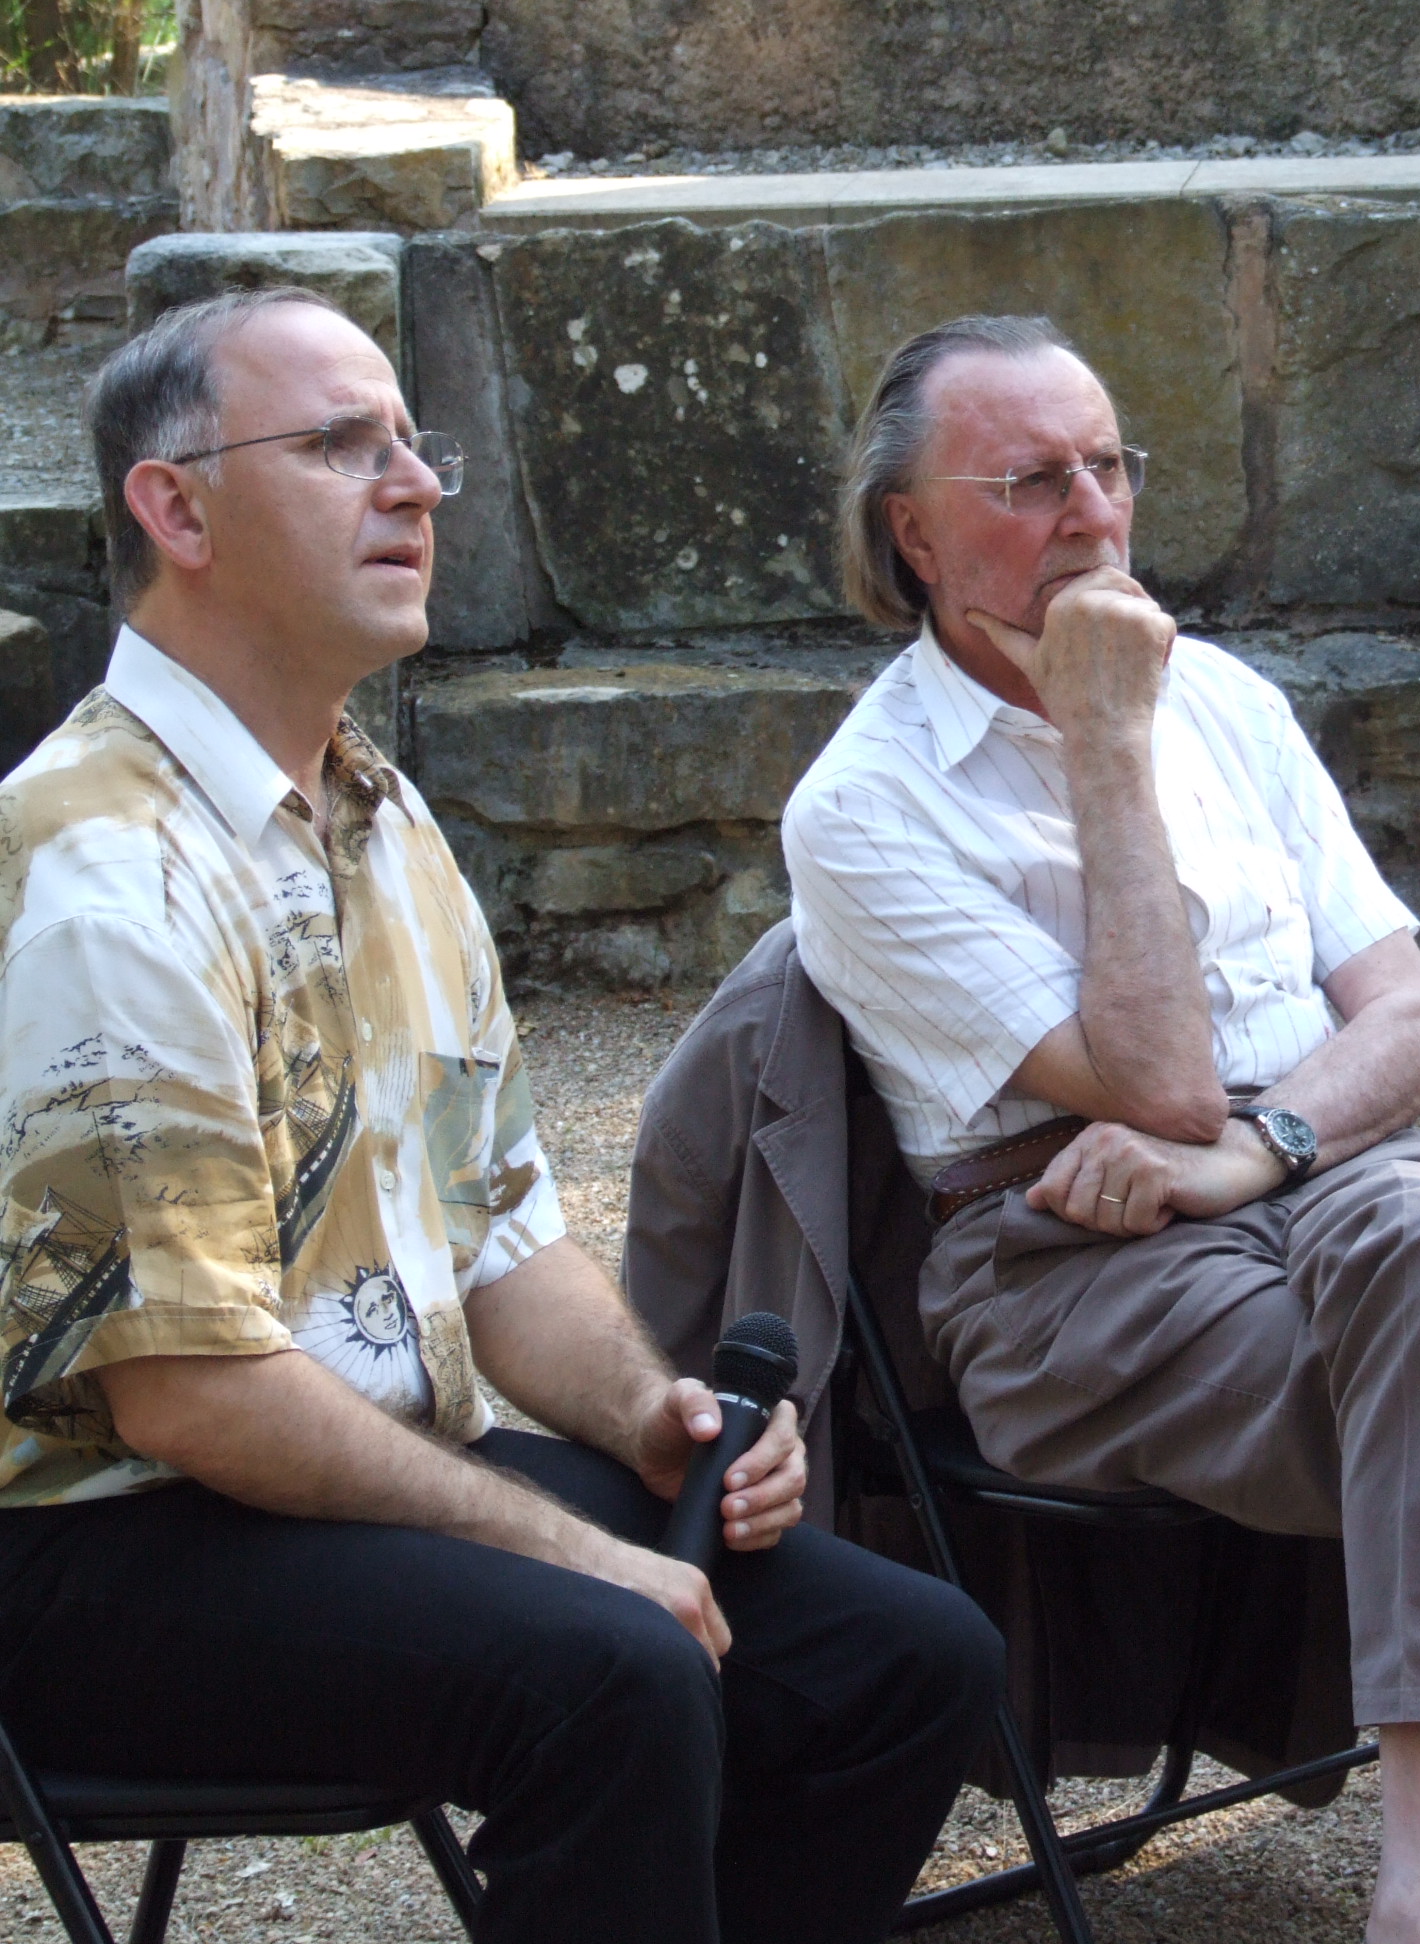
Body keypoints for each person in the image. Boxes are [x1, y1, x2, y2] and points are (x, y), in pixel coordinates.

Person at [0, 288, 1002, 1944]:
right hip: (92, 1546)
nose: (415, 485)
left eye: (415, 444)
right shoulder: (107, 873)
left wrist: (650, 1413)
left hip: (336, 1478)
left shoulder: (380, 820)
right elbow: (186, 1394)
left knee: (911, 1662)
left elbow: (501, 1233)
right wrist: (572, 1552)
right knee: (614, 1669)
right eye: (341, 446)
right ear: (174, 509)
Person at [782, 315, 1420, 1944]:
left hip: (1326, 1191)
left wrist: (1261, 1154)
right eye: (1030, 482)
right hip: (1072, 1258)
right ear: (913, 536)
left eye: (1109, 466)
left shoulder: (1235, 704)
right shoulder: (865, 806)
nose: (1094, 515)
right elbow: (1161, 1083)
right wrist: (1107, 738)